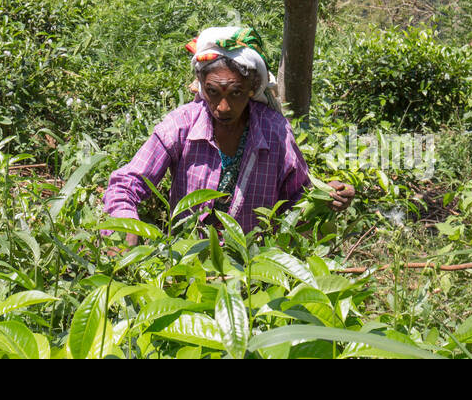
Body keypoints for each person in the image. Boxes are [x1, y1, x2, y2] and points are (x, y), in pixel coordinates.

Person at [103, 26, 355, 242]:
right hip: (185, 261)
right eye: (213, 92)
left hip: (252, 267)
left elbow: (297, 199)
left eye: (235, 93)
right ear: (202, 86)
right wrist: (125, 224)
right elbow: (126, 184)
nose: (223, 107)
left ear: (252, 88)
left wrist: (326, 196)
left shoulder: (275, 132)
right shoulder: (181, 126)